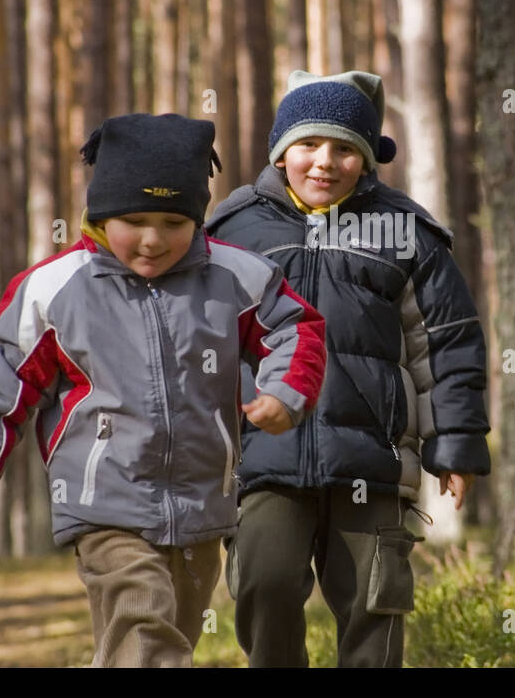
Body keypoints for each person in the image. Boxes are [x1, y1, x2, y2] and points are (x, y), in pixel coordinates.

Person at [0, 113, 326, 667]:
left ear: (197, 217)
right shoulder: (55, 289)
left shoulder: (235, 276)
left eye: (173, 221)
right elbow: (1, 387)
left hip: (200, 505)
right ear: (100, 214)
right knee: (144, 627)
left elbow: (296, 329)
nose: (152, 238)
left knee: (154, 637)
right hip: (105, 504)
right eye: (134, 219)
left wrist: (286, 392)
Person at [206, 70, 491, 667]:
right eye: (308, 144)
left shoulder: (407, 234)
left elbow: (446, 342)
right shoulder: (231, 231)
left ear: (367, 160)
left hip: (374, 458)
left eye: (345, 149)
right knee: (264, 583)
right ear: (281, 152)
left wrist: (456, 443)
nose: (324, 162)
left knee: (373, 605)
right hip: (265, 458)